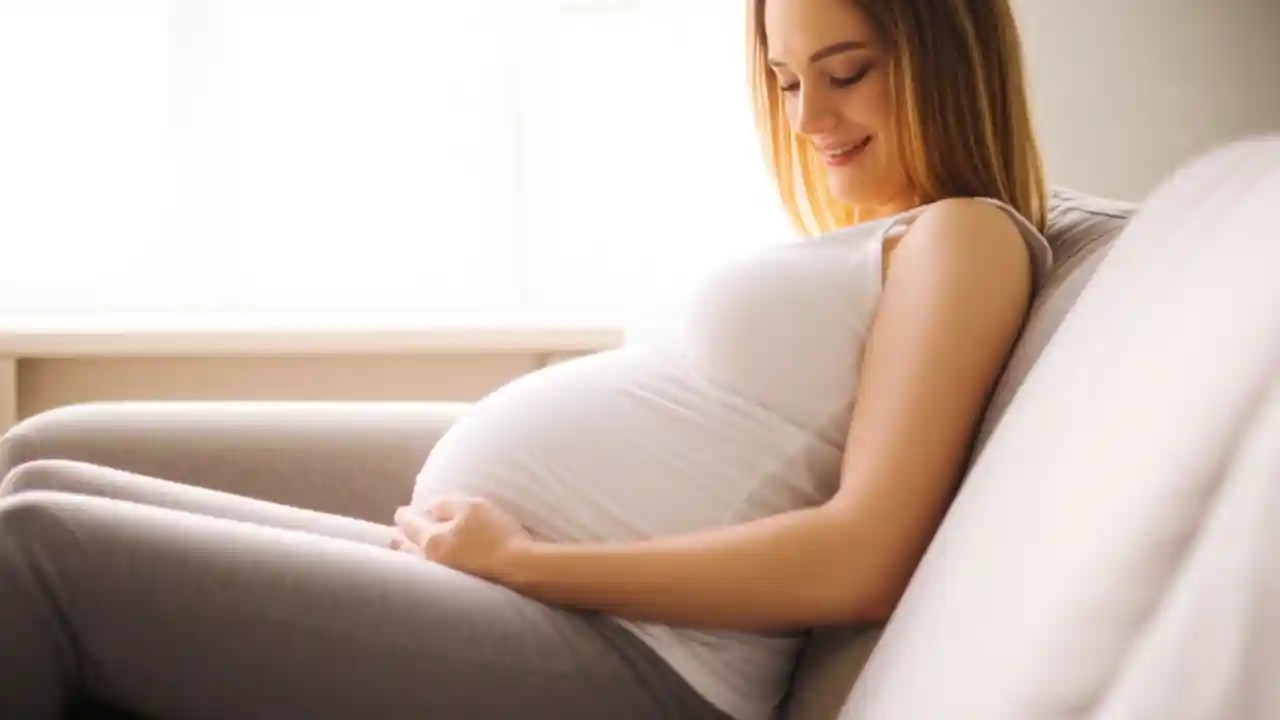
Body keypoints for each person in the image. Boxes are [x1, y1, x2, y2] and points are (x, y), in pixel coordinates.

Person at [0, 0, 1053, 718]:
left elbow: (860, 557)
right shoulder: (870, 235)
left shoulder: (965, 237)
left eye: (845, 73)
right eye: (783, 80)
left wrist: (525, 562)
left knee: (36, 549)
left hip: (636, 665)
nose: (808, 118)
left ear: (944, 53)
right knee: (40, 472)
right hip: (532, 605)